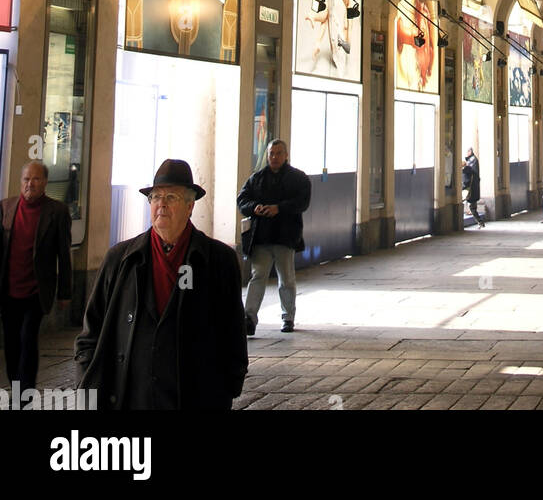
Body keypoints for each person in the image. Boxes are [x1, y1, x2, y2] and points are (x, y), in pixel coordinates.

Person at [75, 159, 247, 410]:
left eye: (171, 197)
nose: (161, 205)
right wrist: (87, 384)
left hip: (194, 397)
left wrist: (228, 386)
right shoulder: (121, 259)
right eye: (155, 197)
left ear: (190, 206)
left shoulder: (218, 261)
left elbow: (232, 331)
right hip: (129, 397)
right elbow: (91, 332)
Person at [1, 161, 73, 391]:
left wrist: (65, 292)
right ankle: (15, 387)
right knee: (11, 342)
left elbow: (64, 254)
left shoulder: (57, 212)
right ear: (20, 182)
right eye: (25, 179)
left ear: (45, 182)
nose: (29, 184)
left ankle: (25, 394)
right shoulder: (5, 208)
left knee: (27, 339)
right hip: (9, 289)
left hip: (36, 291)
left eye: (35, 179)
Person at [237, 138, 312, 333]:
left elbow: (302, 202)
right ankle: (249, 318)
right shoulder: (257, 178)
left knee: (286, 278)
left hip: (285, 237)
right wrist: (256, 208)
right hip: (261, 237)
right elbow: (242, 200)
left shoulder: (298, 178)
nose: (274, 157)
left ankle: (288, 318)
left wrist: (279, 209)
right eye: (271, 153)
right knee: (258, 276)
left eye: (278, 153)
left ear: (286, 155)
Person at [462, 148, 485, 227]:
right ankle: (480, 222)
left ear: (470, 152)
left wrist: (464, 186)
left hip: (471, 189)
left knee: (472, 207)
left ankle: (480, 222)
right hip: (472, 188)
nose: (466, 153)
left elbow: (469, 174)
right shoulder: (472, 160)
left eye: (467, 152)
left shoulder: (472, 161)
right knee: (472, 206)